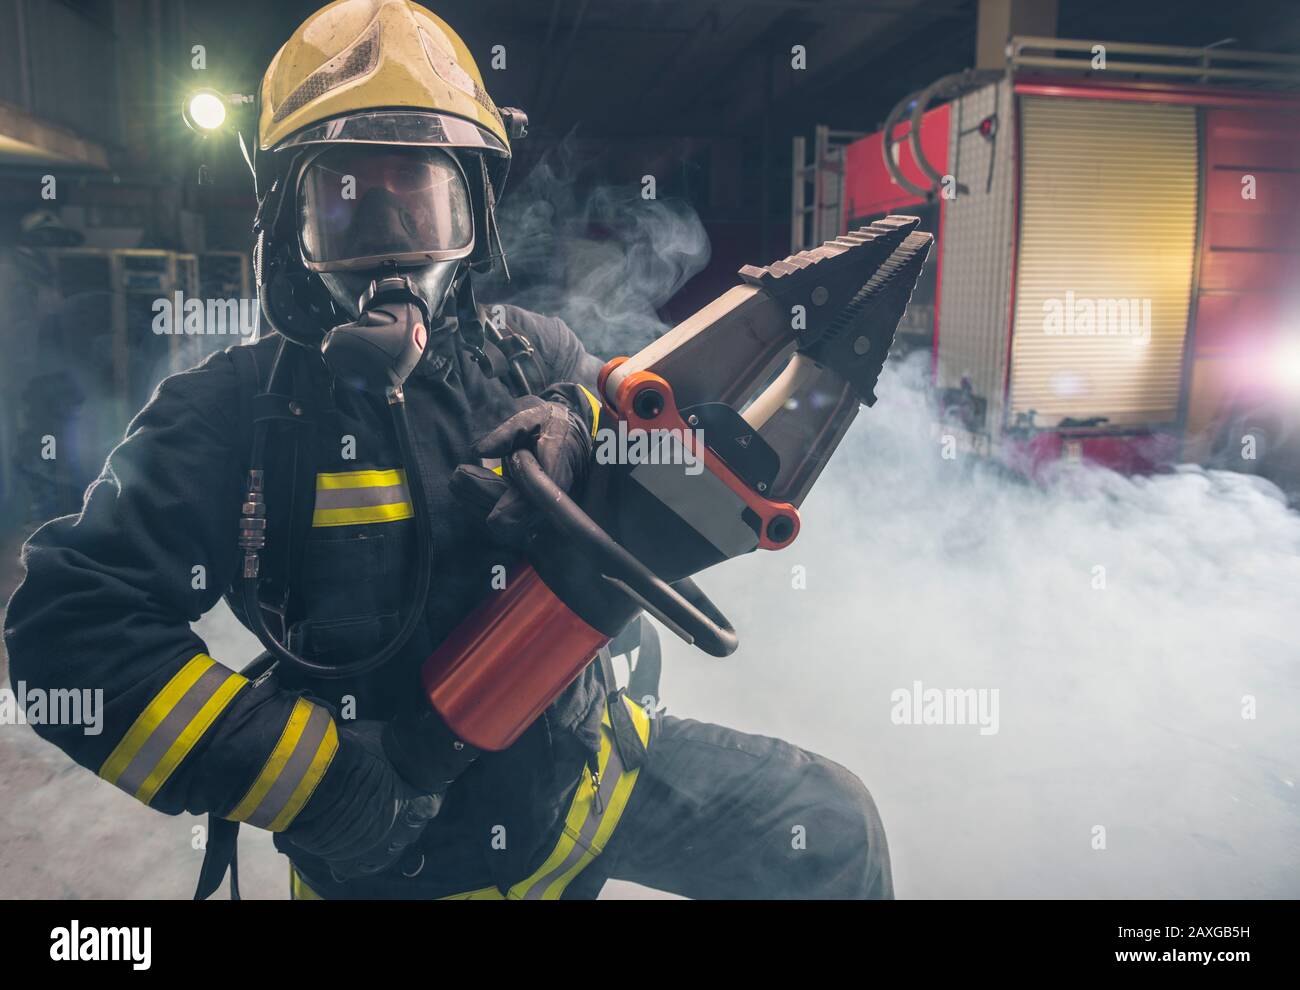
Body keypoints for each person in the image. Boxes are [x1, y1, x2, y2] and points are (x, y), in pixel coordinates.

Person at [3, 0, 891, 900]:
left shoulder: (530, 350)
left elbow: (624, 415)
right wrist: (319, 784)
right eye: (348, 209)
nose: (394, 256)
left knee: (832, 830)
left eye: (421, 205)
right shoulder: (231, 417)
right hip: (385, 866)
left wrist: (578, 420)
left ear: (475, 216)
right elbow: (68, 631)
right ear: (286, 227)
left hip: (586, 793)